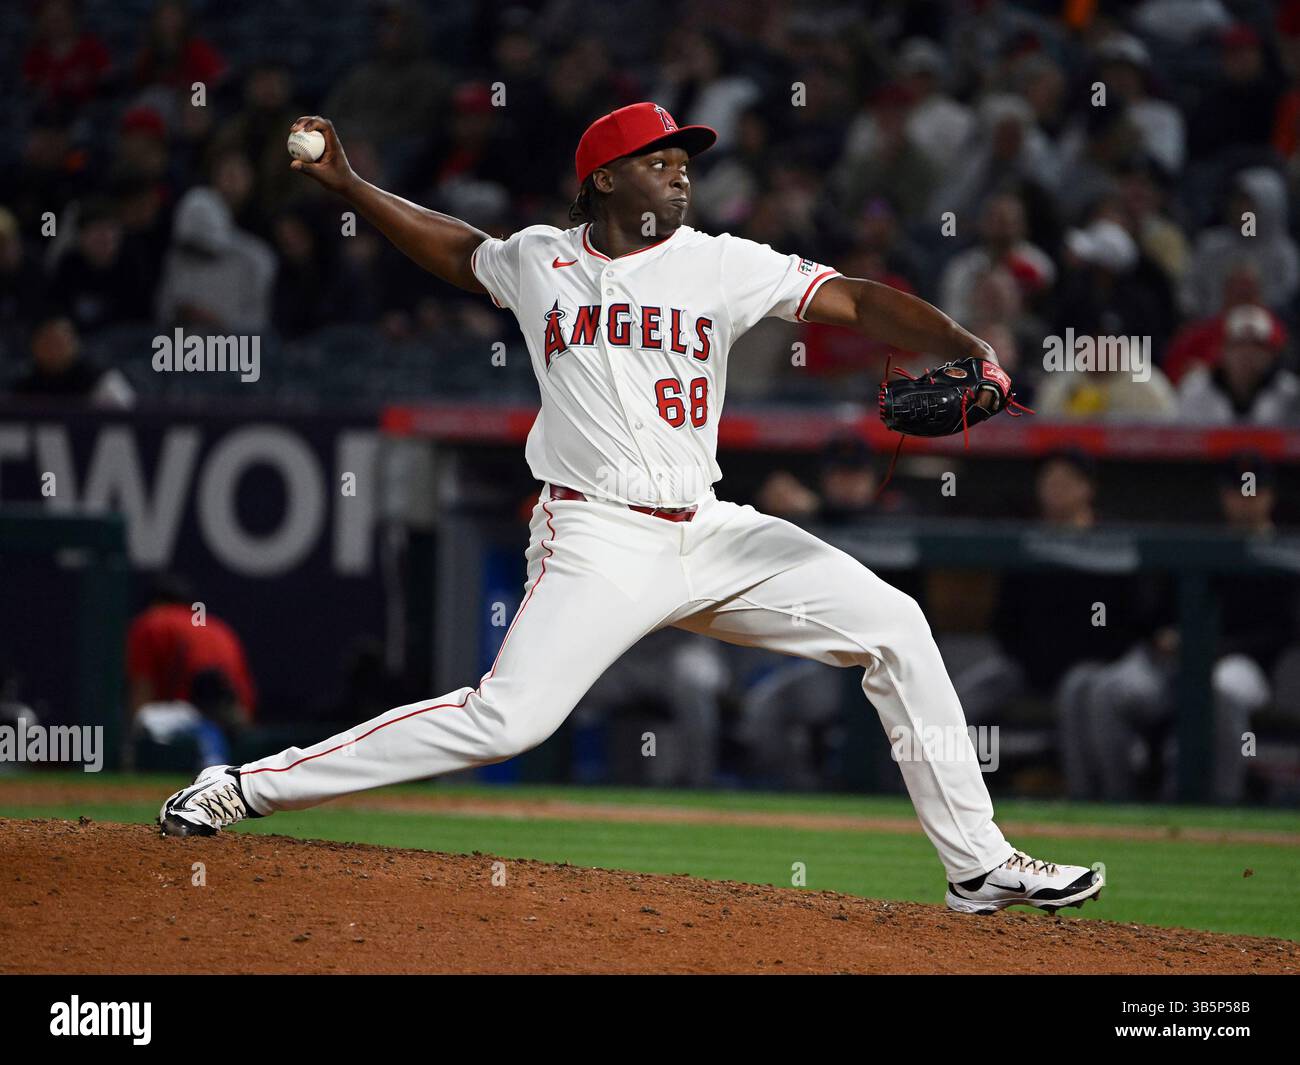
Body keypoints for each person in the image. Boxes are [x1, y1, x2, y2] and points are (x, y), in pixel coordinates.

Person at [159, 102, 1104, 916]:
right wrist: (354, 185)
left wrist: (964, 341)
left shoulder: (720, 262)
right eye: (660, 163)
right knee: (507, 721)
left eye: (686, 163)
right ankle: (246, 785)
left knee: (896, 623)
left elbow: (852, 302)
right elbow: (457, 252)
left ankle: (978, 865)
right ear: (605, 180)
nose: (680, 177)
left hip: (710, 525)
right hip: (596, 535)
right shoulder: (538, 261)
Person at [1058, 454, 1294, 803]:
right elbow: (1156, 614)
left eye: (1253, 491)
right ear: (1223, 496)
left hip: (1241, 665)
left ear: (1270, 495)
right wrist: (1163, 636)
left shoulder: (1283, 553)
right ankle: (1116, 800)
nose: (1244, 499)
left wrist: (1210, 647)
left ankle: (1220, 802)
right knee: (1105, 690)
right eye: (1235, 491)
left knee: (1220, 690)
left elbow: (1280, 632)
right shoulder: (1203, 546)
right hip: (1172, 663)